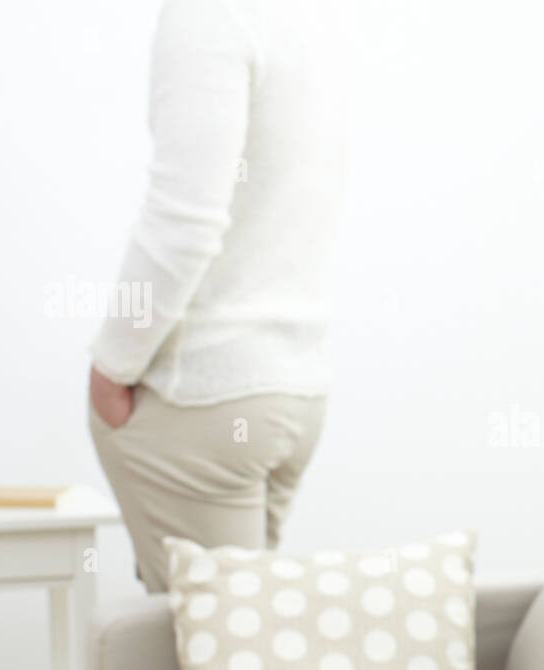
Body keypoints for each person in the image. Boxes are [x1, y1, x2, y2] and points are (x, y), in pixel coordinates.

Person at [87, 0, 353, 593]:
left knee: (218, 663)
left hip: (207, 393)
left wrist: (111, 366)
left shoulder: (207, 14)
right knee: (246, 648)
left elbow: (184, 221)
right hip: (291, 390)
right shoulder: (311, 18)